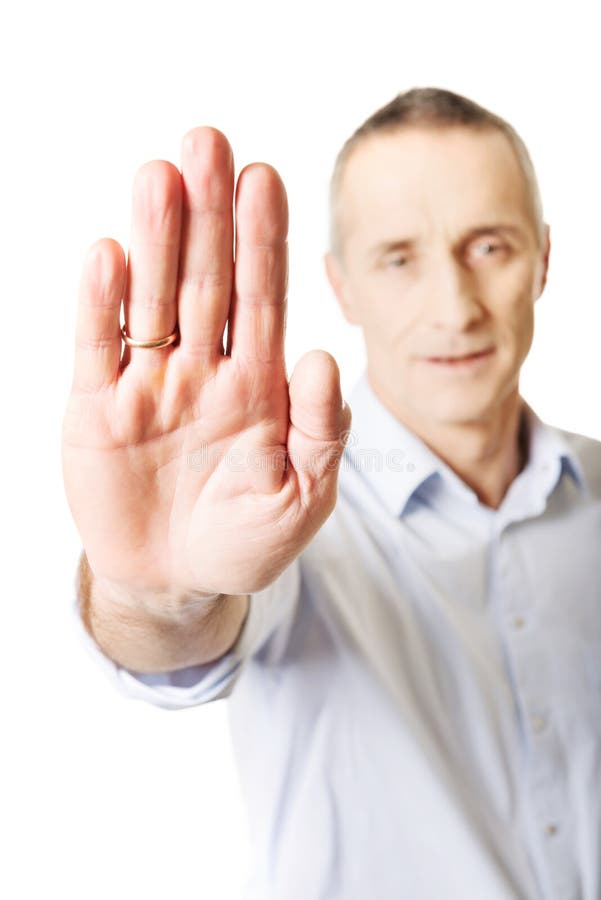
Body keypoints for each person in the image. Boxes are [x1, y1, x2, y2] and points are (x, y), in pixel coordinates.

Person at [61, 86, 601, 899]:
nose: (454, 309)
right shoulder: (276, 511)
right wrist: (155, 594)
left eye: (488, 247)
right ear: (342, 286)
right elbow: (183, 645)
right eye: (398, 257)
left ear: (544, 261)